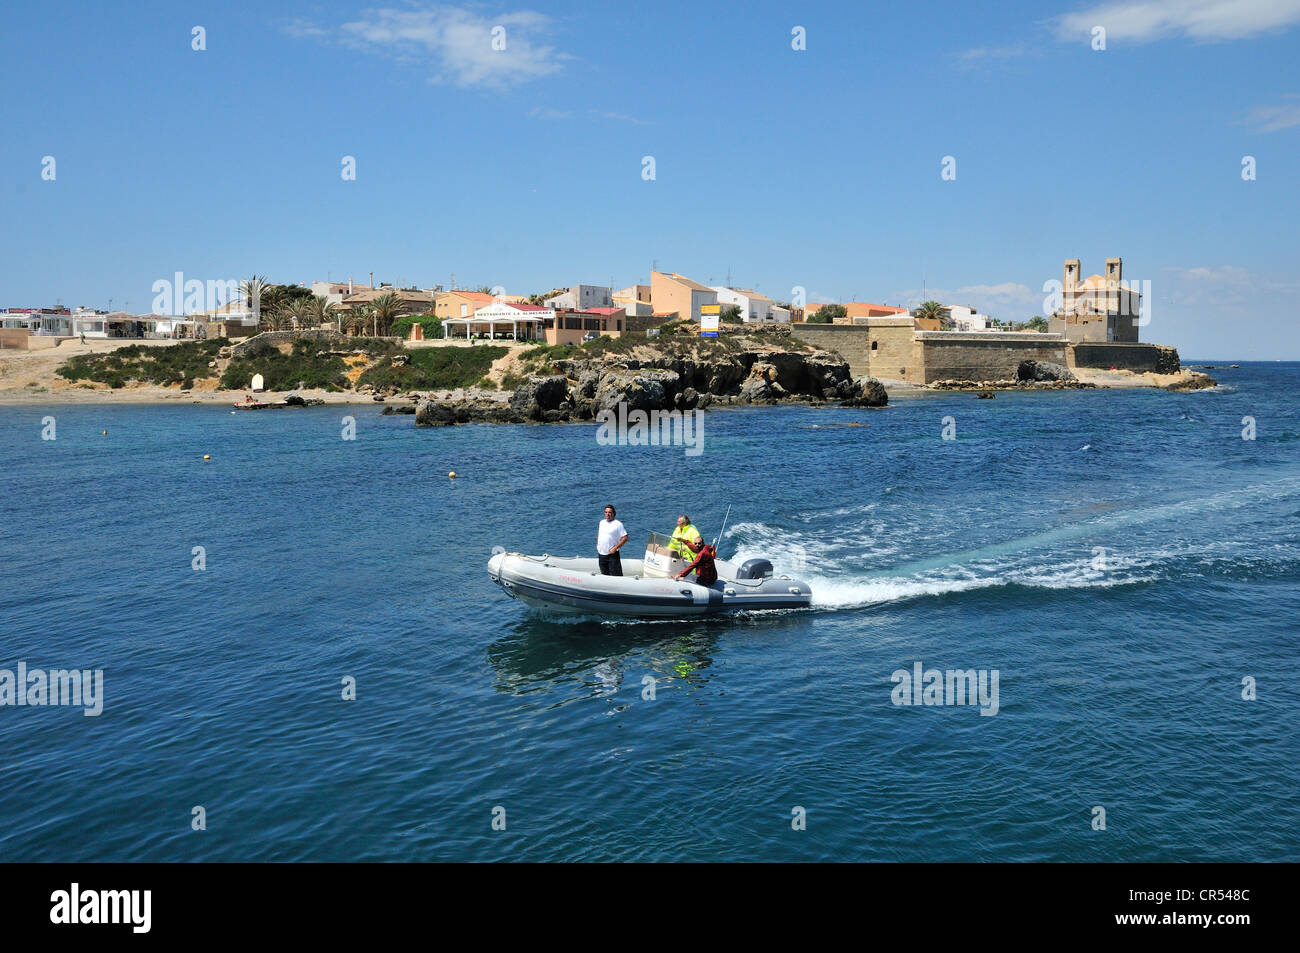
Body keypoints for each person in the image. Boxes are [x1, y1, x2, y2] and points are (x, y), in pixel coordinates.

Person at [597, 504, 628, 576]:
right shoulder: (602, 522)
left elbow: (625, 538)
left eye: (609, 512)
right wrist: (597, 544)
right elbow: (599, 533)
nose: (607, 514)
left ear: (613, 514)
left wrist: (615, 548)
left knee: (616, 575)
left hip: (612, 555)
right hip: (601, 554)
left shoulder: (618, 524)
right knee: (604, 575)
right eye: (606, 512)